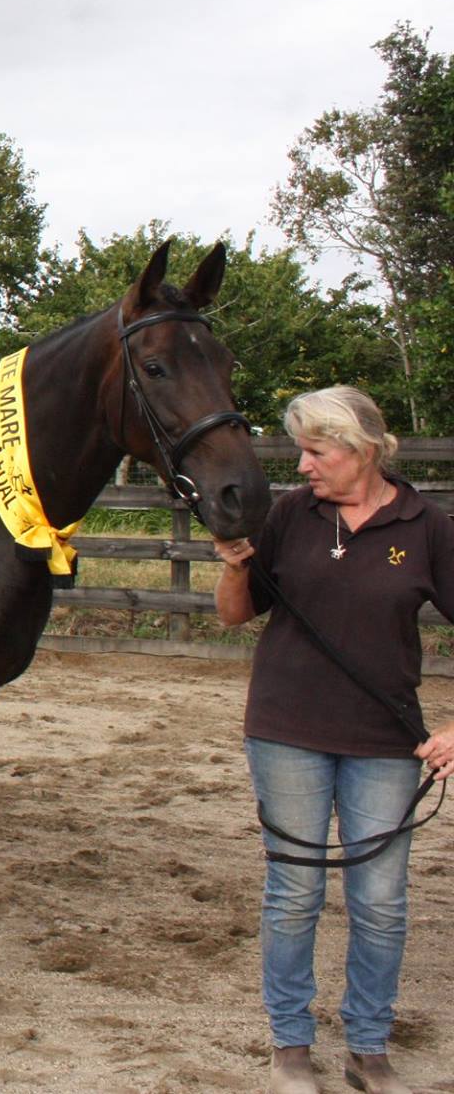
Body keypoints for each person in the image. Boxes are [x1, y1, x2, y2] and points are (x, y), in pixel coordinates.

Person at [213, 386, 454, 1094]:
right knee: (294, 891)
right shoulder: (290, 514)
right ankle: (291, 1047)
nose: (305, 465)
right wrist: (232, 565)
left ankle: (368, 1048)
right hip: (286, 731)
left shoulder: (426, 524)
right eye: (302, 452)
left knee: (380, 899)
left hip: (384, 740)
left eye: (317, 452)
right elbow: (235, 615)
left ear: (363, 448)